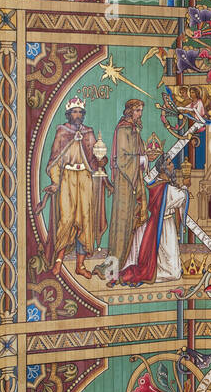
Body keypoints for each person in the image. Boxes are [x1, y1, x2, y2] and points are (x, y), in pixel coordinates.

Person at [43, 96, 106, 280]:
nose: (77, 115)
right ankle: (59, 261)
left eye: (80, 112)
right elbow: (54, 160)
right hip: (68, 179)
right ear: (69, 114)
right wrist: (55, 182)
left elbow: (96, 158)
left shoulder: (88, 132)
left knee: (85, 220)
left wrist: (101, 161)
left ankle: (80, 265)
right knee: (67, 219)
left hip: (86, 179)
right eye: (74, 112)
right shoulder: (62, 132)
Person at [118, 157, 188, 286]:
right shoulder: (164, 188)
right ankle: (153, 274)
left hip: (161, 224)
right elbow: (180, 197)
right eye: (170, 163)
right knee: (173, 270)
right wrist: (185, 188)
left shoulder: (157, 185)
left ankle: (156, 271)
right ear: (163, 169)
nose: (173, 166)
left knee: (166, 259)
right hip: (165, 226)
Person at [108, 99, 148, 270]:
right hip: (125, 182)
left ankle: (130, 261)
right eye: (137, 110)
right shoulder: (124, 129)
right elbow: (123, 159)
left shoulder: (134, 129)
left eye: (141, 111)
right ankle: (117, 264)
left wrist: (144, 157)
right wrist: (140, 159)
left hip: (134, 180)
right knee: (123, 221)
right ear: (130, 111)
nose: (140, 114)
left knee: (134, 220)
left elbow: (140, 151)